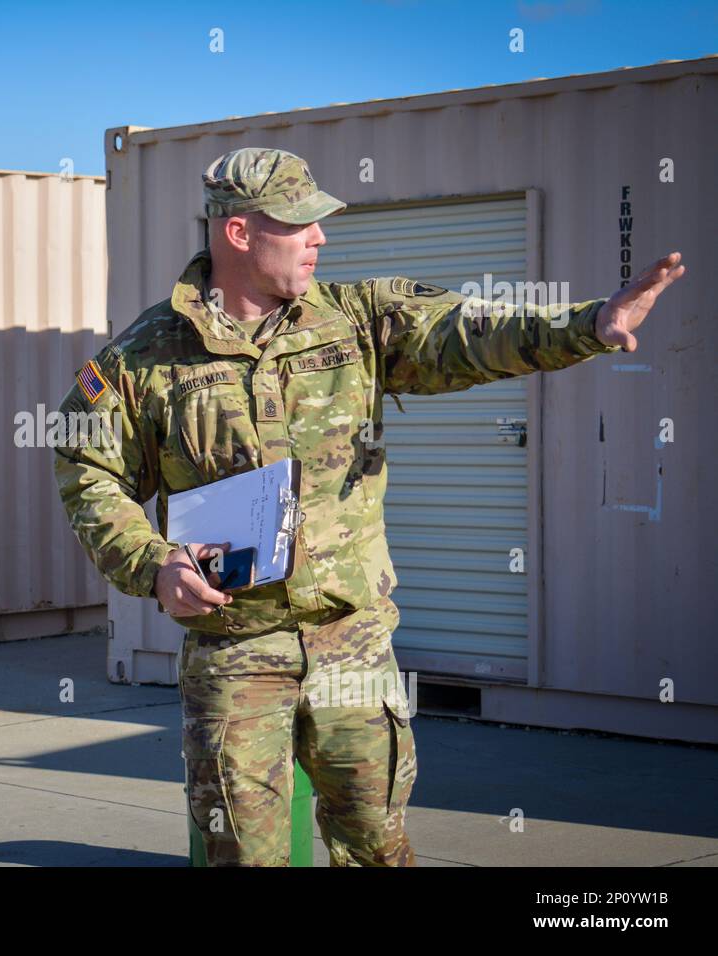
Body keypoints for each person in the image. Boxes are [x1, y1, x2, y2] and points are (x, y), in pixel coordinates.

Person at [52, 147, 685, 866]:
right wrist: (153, 563)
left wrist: (591, 323)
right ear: (238, 232)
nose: (320, 237)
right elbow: (86, 466)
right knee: (240, 855)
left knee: (376, 848)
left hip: (351, 646)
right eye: (300, 224)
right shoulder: (144, 359)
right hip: (234, 652)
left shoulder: (359, 322)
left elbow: (470, 333)